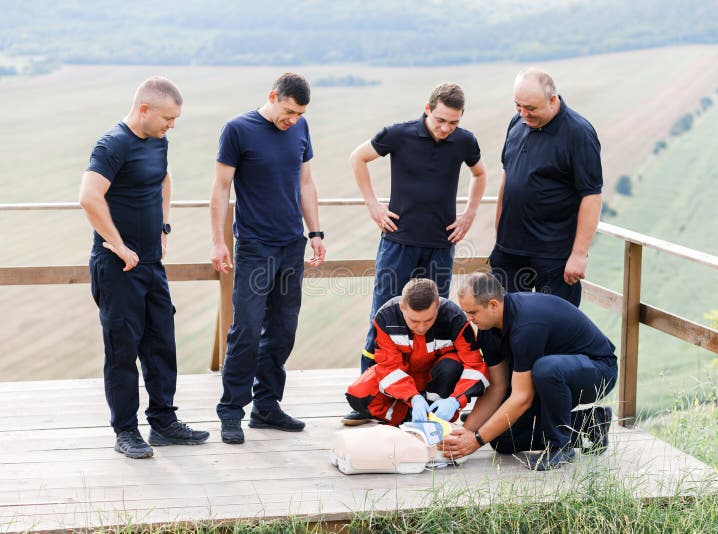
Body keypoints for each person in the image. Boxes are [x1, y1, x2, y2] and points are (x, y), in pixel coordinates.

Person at [79, 76, 209, 459]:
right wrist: (118, 244)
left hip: (151, 262)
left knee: (161, 342)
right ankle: (125, 431)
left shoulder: (158, 142)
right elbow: (89, 196)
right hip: (118, 267)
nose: (173, 125)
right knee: (123, 349)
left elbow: (164, 180)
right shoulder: (113, 144)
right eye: (168, 117)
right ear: (144, 109)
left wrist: (163, 225)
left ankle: (164, 422)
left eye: (176, 119)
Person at [344, 83, 487, 425]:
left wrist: (468, 214)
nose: (445, 128)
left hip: (441, 244)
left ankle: (426, 398)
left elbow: (480, 174)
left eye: (452, 122)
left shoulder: (465, 141)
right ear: (427, 108)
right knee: (383, 314)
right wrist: (372, 204)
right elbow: (357, 158)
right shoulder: (398, 134)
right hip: (398, 241)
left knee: (433, 321)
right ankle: (370, 396)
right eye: (440, 120)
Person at [211, 73, 326, 445]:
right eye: (288, 111)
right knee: (245, 330)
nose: (292, 119)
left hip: (292, 245)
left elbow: (305, 182)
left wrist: (316, 232)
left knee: (282, 330)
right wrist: (218, 241)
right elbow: (221, 188)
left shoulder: (301, 127)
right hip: (255, 246)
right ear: (273, 96)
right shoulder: (237, 130)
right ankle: (231, 412)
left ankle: (267, 406)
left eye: (299, 114)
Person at [442, 272, 617, 470]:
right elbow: (497, 388)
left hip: (598, 370)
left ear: (493, 304)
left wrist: (476, 441)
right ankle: (590, 423)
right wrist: (466, 434)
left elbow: (522, 397)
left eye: (472, 312)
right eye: (466, 312)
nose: (469, 319)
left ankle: (561, 447)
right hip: (550, 380)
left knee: (546, 370)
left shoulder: (526, 325)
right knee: (502, 440)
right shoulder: (487, 328)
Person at [492, 67, 603, 307]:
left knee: (554, 330)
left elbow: (592, 195)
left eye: (531, 108)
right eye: (518, 106)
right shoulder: (517, 123)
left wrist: (579, 254)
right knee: (502, 325)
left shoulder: (578, 133)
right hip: (510, 250)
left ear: (553, 100)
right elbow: (507, 177)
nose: (523, 114)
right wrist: (498, 232)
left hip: (554, 256)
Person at [346, 278, 489, 426]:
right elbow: (388, 368)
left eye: (428, 320)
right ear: (402, 307)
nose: (421, 328)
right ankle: (410, 418)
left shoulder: (455, 318)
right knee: (359, 396)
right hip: (404, 377)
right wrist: (413, 397)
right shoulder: (385, 318)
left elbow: (475, 366)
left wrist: (456, 400)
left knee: (450, 366)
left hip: (438, 378)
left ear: (437, 306)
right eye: (414, 321)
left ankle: (435, 417)